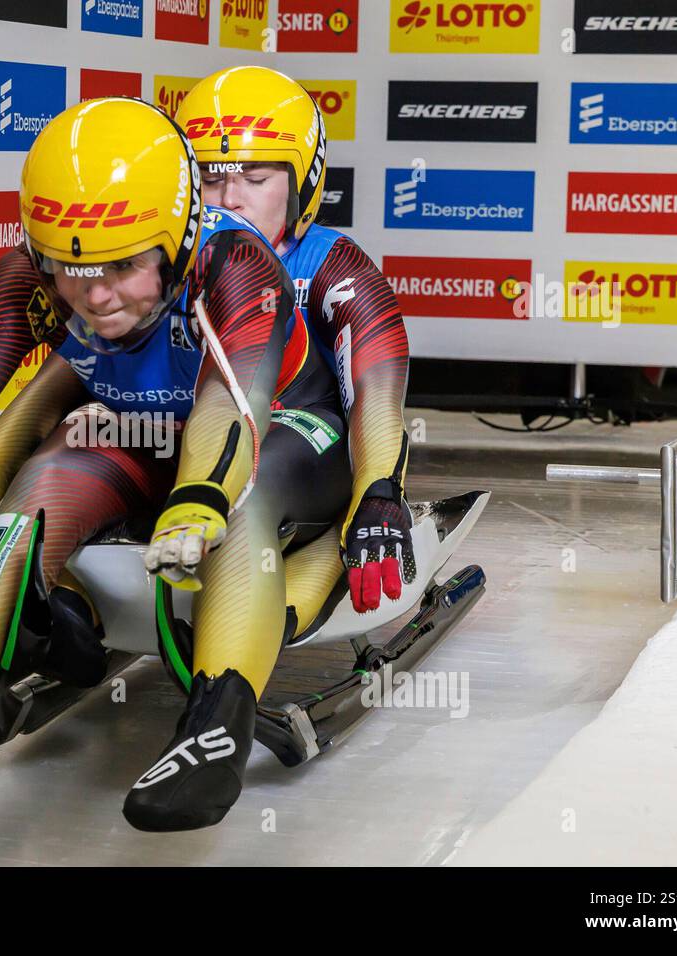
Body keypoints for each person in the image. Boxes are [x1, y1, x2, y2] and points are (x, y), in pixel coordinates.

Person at [0, 97, 352, 831]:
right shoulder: (65, 278)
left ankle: (216, 720)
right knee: (48, 478)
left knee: (247, 496)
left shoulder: (257, 262)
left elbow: (244, 405)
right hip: (159, 433)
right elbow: (4, 392)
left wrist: (377, 493)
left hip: (275, 428)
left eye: (254, 175)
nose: (93, 294)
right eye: (72, 268)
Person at [176, 65, 415, 617]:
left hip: (309, 452)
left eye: (255, 179)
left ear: (302, 185)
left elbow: (376, 386)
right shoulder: (158, 262)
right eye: (211, 178)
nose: (229, 199)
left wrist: (378, 488)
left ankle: (283, 593)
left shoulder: (331, 260)